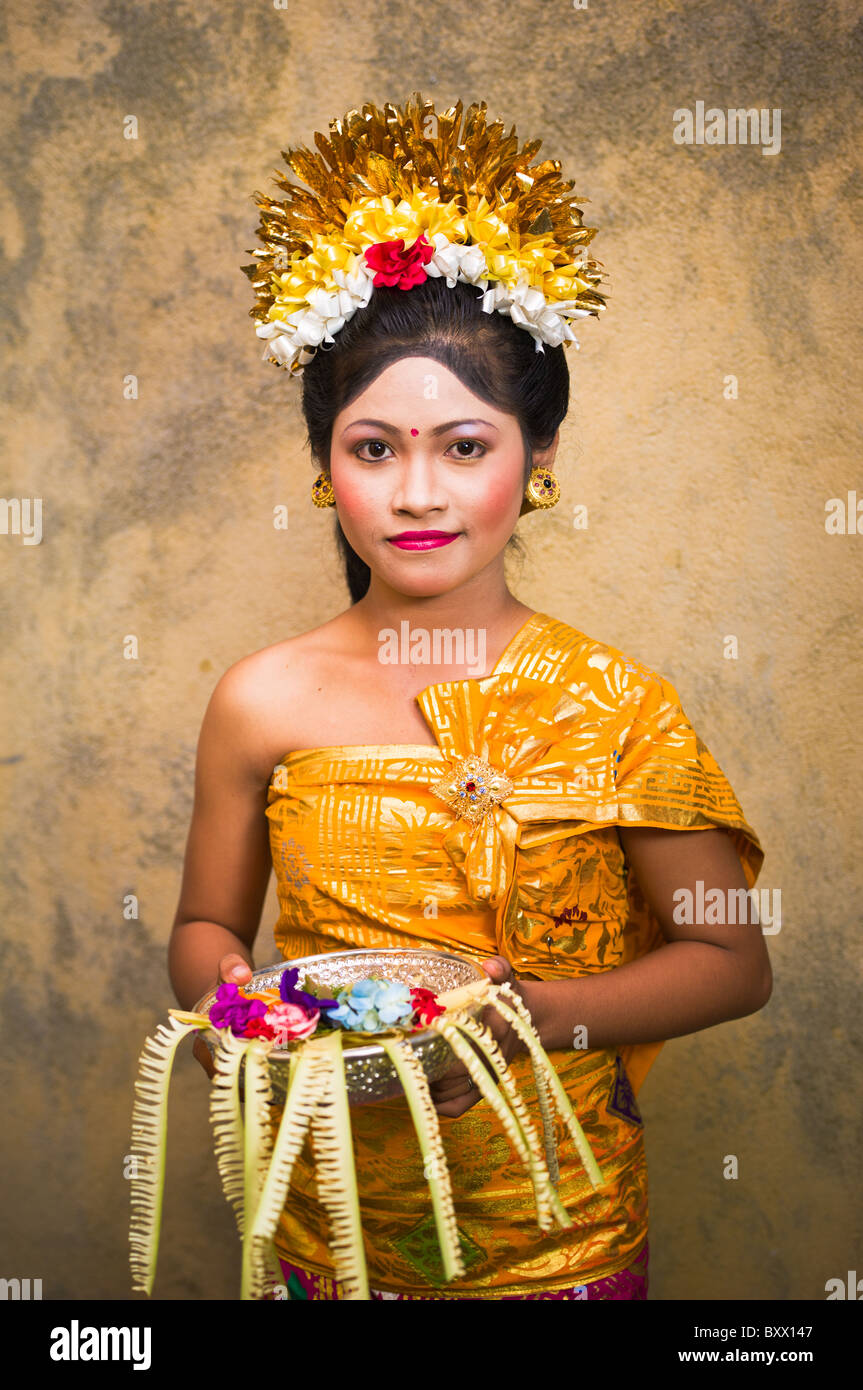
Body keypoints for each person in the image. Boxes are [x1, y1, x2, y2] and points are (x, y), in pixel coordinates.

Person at [167, 94, 770, 1300]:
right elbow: (204, 932)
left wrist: (531, 1019)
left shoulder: (617, 704)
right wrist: (246, 1024)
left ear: (536, 460)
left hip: (558, 1240)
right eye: (373, 448)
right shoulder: (260, 698)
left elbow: (730, 959)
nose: (416, 493)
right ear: (325, 467)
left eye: (464, 446)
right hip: (324, 1233)